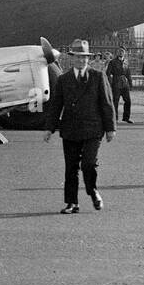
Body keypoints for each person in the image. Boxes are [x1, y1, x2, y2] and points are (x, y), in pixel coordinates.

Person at [44, 39, 116, 213]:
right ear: (72, 58)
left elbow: (107, 103)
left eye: (84, 57)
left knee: (88, 164)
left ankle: (93, 191)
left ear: (88, 59)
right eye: (78, 57)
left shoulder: (98, 77)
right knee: (71, 167)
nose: (81, 60)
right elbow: (56, 106)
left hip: (93, 129)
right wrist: (49, 128)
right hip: (70, 129)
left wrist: (110, 128)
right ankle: (72, 203)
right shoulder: (63, 79)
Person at [106, 46, 133, 124]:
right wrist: (110, 83)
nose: (121, 52)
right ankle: (115, 118)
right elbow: (108, 73)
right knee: (115, 102)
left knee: (128, 101)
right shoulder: (112, 62)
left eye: (122, 51)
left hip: (125, 84)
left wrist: (130, 84)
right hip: (116, 83)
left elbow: (128, 74)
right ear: (117, 52)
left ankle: (126, 118)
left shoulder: (126, 62)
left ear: (125, 53)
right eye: (119, 51)